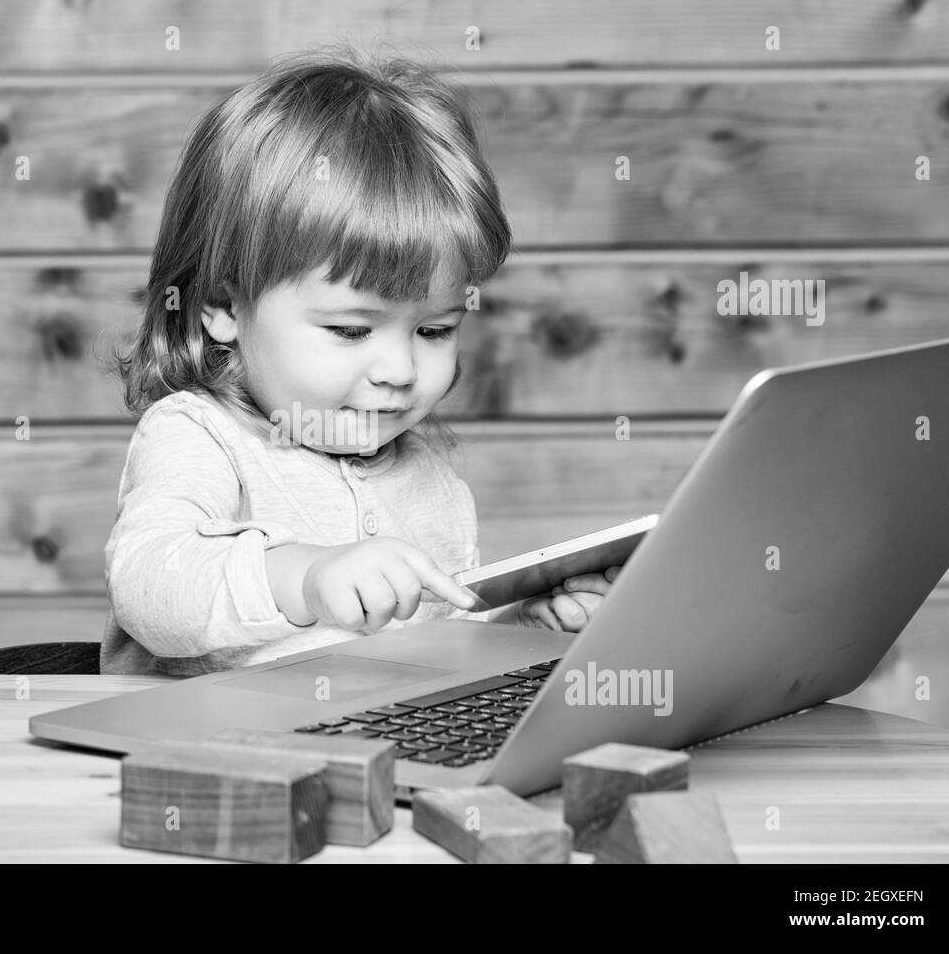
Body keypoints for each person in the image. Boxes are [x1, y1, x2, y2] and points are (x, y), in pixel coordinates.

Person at [100, 45, 617, 676]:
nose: (399, 371)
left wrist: (521, 628)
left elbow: (438, 646)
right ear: (223, 306)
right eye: (350, 329)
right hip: (206, 757)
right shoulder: (200, 435)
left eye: (433, 328)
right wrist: (308, 576)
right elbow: (151, 584)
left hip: (371, 750)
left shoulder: (429, 480)